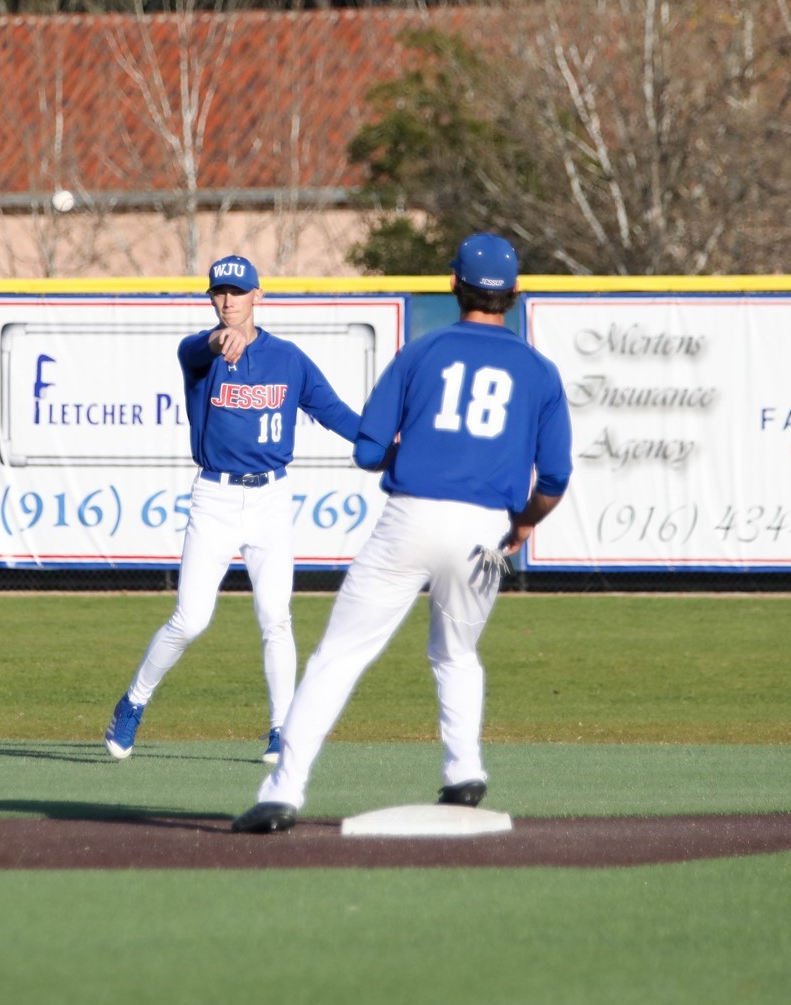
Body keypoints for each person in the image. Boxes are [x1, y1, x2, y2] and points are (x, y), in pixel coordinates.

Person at [233, 233, 572, 833]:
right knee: (456, 652)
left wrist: (405, 452)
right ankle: (464, 770)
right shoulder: (540, 370)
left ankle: (282, 792)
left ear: (452, 285)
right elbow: (555, 478)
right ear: (515, 294)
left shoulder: (422, 351)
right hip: (486, 531)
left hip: (411, 517)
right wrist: (523, 525)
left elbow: (367, 449)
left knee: (338, 656)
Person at [105, 255, 362, 764]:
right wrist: (217, 342)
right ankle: (133, 702)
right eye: (219, 291)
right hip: (216, 497)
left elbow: (331, 411)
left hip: (270, 497)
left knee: (276, 617)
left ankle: (281, 729)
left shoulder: (288, 359)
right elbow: (201, 348)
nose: (228, 300)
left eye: (238, 291)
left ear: (258, 296)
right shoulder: (198, 352)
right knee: (191, 619)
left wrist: (382, 442)